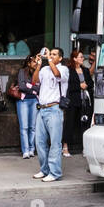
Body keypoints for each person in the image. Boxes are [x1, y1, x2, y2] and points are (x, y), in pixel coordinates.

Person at [31, 47, 68, 183]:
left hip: (55, 109)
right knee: (39, 142)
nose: (51, 56)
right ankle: (44, 169)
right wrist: (39, 65)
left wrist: (49, 60)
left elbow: (57, 75)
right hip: (42, 109)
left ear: (60, 58)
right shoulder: (44, 70)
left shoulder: (64, 69)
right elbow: (34, 81)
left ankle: (55, 172)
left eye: (54, 54)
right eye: (50, 54)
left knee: (55, 143)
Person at [62, 49, 94, 157]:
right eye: (80, 57)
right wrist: (79, 86)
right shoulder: (69, 70)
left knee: (85, 124)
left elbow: (91, 83)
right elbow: (68, 86)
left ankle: (85, 148)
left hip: (84, 101)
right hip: (73, 101)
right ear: (74, 58)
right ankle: (65, 147)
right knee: (70, 124)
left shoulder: (85, 70)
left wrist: (86, 86)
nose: (82, 58)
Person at [14, 53, 39, 158]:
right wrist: (33, 88)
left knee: (32, 127)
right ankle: (25, 150)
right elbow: (22, 86)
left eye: (37, 62)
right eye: (34, 61)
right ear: (28, 62)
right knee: (24, 127)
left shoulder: (39, 73)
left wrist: (30, 87)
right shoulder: (22, 72)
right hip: (23, 101)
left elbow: (40, 88)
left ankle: (32, 149)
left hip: (34, 101)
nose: (36, 63)